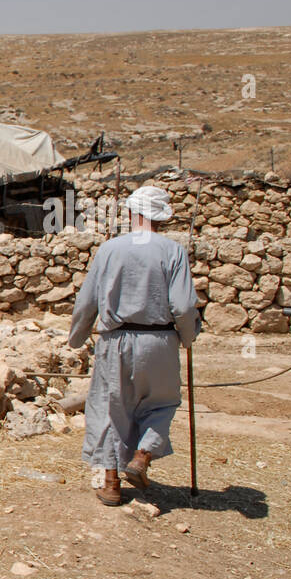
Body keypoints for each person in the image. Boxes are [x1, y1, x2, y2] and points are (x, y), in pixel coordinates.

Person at [68, 185, 200, 506]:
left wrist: (77, 337)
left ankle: (112, 484)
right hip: (160, 341)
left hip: (115, 341)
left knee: (111, 409)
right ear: (161, 219)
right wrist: (186, 336)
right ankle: (142, 455)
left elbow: (87, 303)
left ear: (131, 213)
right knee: (162, 403)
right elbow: (183, 306)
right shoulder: (174, 252)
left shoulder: (110, 249)